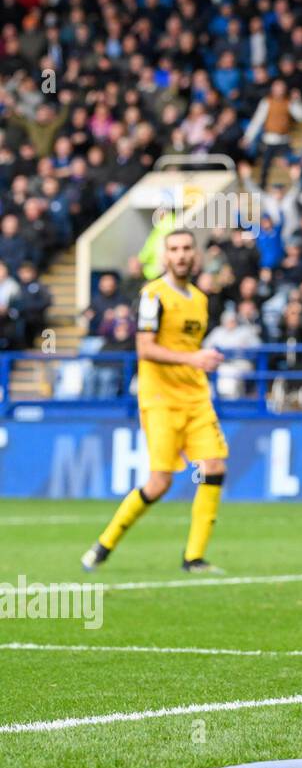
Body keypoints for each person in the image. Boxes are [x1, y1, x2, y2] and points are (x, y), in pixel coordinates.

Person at [83, 230, 229, 573]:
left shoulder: (199, 299)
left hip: (196, 398)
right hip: (160, 399)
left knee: (214, 466)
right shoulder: (152, 295)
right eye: (174, 249)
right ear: (164, 257)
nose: (181, 255)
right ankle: (104, 545)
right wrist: (194, 360)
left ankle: (194, 557)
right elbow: (145, 348)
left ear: (196, 255)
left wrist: (198, 363)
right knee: (159, 482)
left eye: (186, 249)